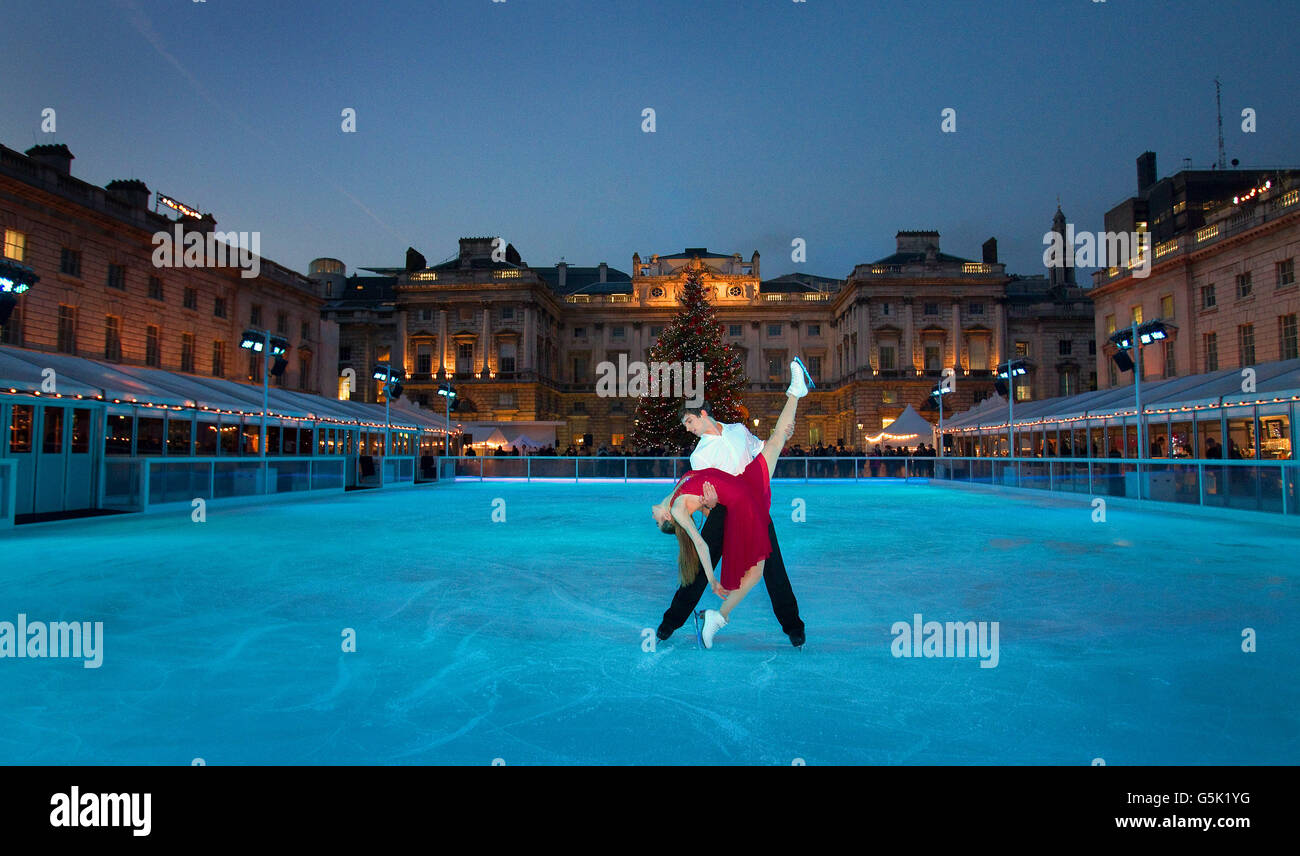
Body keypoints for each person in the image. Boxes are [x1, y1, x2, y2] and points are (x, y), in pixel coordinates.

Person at [650, 360, 810, 648]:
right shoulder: (698, 456)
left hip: (752, 498)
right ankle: (670, 622)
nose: (688, 429)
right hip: (724, 511)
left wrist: (782, 435)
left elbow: (761, 450)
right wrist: (709, 505)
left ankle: (793, 627)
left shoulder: (737, 430)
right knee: (699, 568)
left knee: (774, 568)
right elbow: (703, 499)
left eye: (689, 421)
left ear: (701, 413)